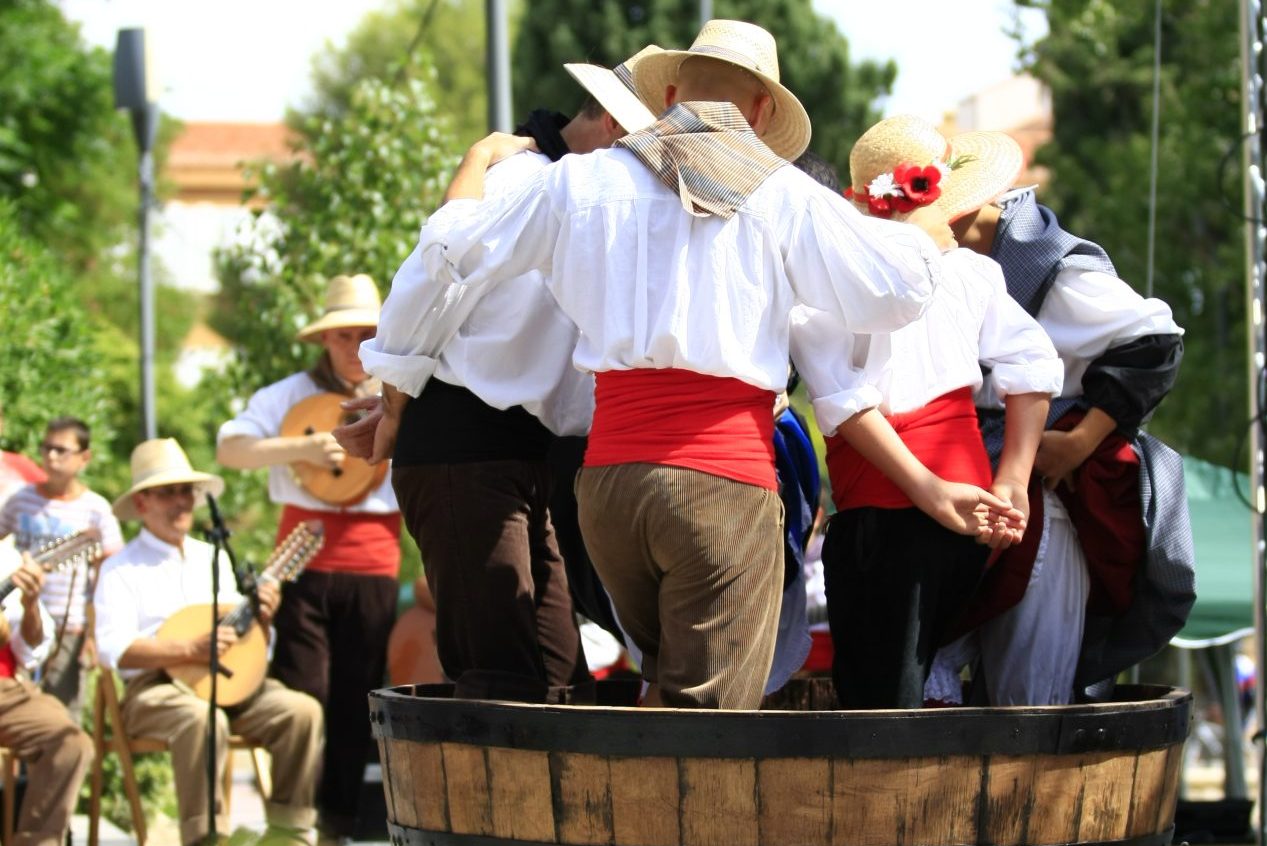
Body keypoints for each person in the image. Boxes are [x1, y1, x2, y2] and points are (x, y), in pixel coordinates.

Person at [407, 19, 1022, 710]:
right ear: (760, 111)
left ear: (668, 91)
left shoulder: (577, 181)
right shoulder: (780, 193)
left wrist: (477, 158)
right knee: (704, 730)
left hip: (607, 487)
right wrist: (915, 221)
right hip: (718, 482)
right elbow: (899, 291)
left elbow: (451, 248)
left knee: (664, 695)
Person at [342, 53, 659, 705]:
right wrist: (396, 403)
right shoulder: (524, 179)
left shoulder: (575, 188)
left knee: (554, 674)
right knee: (503, 682)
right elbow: (427, 284)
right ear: (607, 122)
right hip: (465, 444)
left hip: (517, 450)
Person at [800, 116, 1062, 709]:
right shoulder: (972, 274)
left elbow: (845, 404)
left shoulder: (830, 291)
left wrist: (931, 491)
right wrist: (1012, 480)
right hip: (972, 510)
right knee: (919, 691)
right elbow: (1035, 364)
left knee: (881, 712)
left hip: (893, 510)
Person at [934, 156, 1189, 705]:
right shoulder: (964, 268)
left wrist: (1078, 443)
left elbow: (1156, 342)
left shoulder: (1055, 271)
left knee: (1029, 702)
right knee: (934, 677)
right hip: (971, 494)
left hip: (1046, 505)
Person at [216, 276, 399, 846]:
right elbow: (229, 448)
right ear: (324, 340)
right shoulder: (287, 394)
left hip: (375, 565)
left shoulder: (402, 391)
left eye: (367, 333)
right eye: (343, 335)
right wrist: (303, 446)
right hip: (301, 563)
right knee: (303, 698)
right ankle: (292, 831)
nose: (354, 345)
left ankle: (335, 837)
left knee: (355, 704)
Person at [93, 439, 323, 846]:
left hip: (231, 684)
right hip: (155, 689)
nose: (181, 502)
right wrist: (186, 650)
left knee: (302, 712)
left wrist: (263, 618)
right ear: (141, 502)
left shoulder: (213, 557)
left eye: (186, 491)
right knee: (202, 719)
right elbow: (112, 648)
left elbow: (251, 646)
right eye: (167, 492)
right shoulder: (121, 569)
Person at [0, 417, 124, 717]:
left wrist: (95, 634)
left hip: (70, 624)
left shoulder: (96, 509)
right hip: (19, 622)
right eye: (46, 449)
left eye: (61, 450)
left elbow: (109, 577)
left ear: (84, 457)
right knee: (22, 711)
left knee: (63, 713)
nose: (51, 457)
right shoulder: (19, 500)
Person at [0, 545, 93, 846]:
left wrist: (31, 604)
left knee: (71, 742)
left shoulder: (10, 560)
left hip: (8, 689)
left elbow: (31, 649)